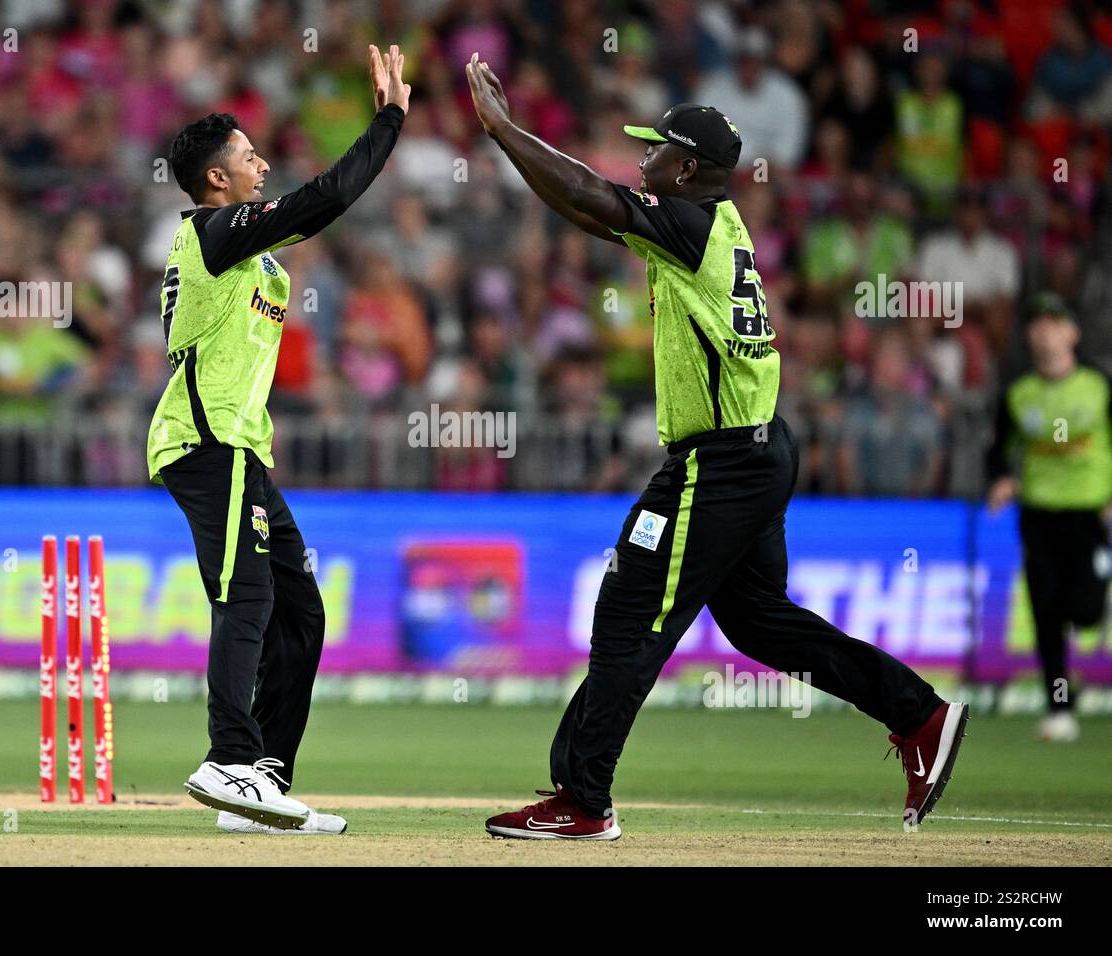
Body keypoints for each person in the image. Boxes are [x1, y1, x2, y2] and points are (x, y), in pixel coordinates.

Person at [465, 54, 967, 840]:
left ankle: (583, 799)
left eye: (654, 148)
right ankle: (920, 714)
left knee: (631, 606)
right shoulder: (712, 222)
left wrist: (502, 129)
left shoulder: (690, 224)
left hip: (721, 463)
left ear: (686, 166)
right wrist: (527, 151)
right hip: (757, 451)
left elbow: (591, 194)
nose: (642, 158)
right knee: (759, 623)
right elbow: (590, 210)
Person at [150, 44, 410, 834]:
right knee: (248, 596)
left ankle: (260, 782)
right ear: (215, 181)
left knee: (301, 614)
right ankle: (228, 758)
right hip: (204, 442)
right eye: (247, 156)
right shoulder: (213, 233)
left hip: (242, 448)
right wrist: (389, 120)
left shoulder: (253, 259)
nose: (262, 163)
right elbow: (324, 199)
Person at [987, 293, 1112, 743]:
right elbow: (998, 450)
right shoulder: (1019, 394)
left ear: (1073, 333)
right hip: (1038, 515)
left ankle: (1095, 606)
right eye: (1037, 323)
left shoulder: (1098, 387)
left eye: (1055, 322)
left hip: (1088, 514)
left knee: (1085, 609)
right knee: (1045, 613)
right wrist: (1001, 480)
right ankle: (1059, 706)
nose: (1045, 331)